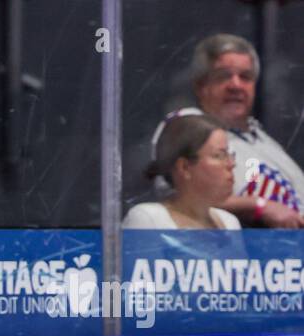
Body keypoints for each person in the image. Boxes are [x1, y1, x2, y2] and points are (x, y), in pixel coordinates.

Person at [190, 33, 303, 229]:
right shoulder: (186, 124)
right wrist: (260, 206)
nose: (236, 85)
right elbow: (185, 197)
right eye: (223, 75)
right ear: (201, 86)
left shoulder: (264, 141)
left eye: (245, 77)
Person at [124, 112, 239, 229]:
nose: (232, 164)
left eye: (229, 154)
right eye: (219, 155)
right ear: (184, 167)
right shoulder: (148, 219)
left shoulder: (230, 222)